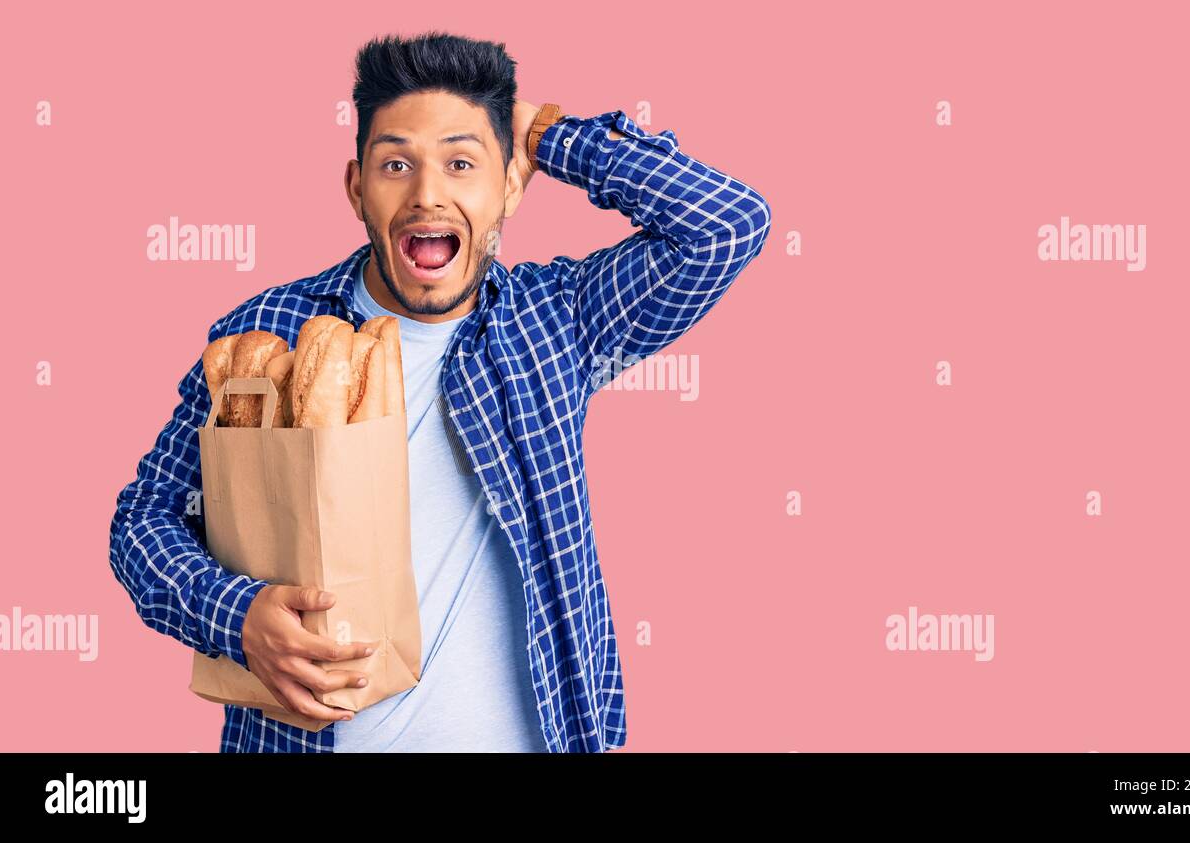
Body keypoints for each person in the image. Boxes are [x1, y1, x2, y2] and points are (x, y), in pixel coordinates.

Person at [108, 30, 771, 752]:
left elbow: (725, 226)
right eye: (396, 164)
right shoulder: (264, 332)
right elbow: (143, 521)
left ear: (509, 186)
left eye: (462, 163)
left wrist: (551, 135)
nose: (428, 194)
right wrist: (235, 615)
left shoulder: (559, 321)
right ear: (357, 186)